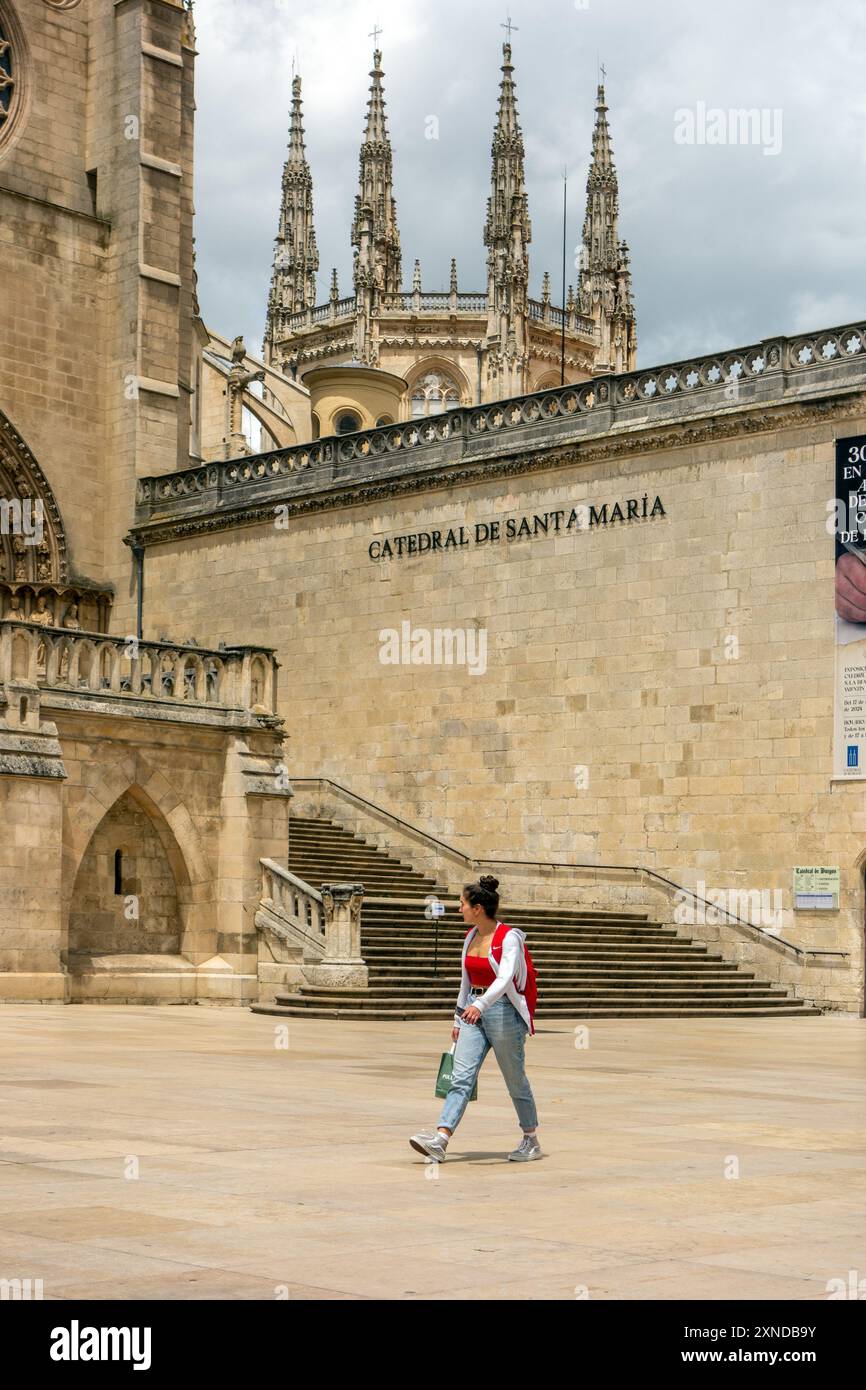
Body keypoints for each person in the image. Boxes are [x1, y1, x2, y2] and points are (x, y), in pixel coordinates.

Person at [409, 875, 540, 1163]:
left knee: (515, 1080)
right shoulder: (471, 937)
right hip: (472, 1011)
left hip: (503, 1012)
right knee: (460, 1078)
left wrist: (481, 1005)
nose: (460, 909)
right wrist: (458, 1018)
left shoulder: (510, 938)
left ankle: (530, 1138)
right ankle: (441, 1139)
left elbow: (506, 978)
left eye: (462, 904)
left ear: (478, 908)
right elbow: (465, 982)